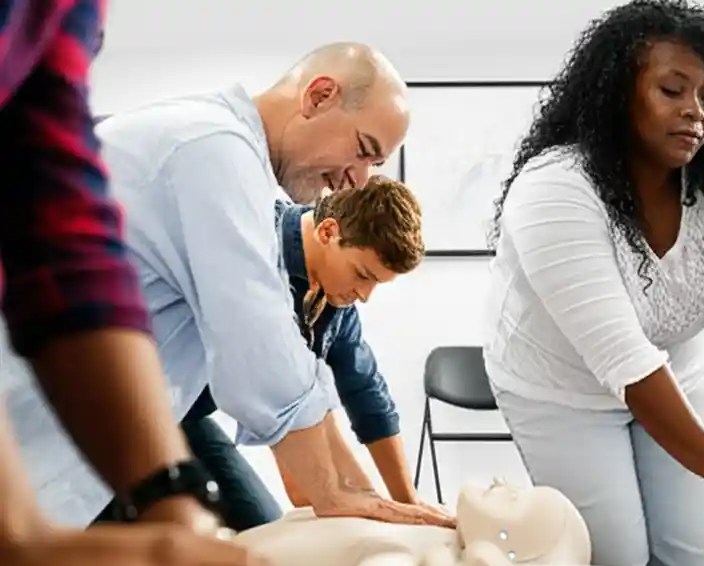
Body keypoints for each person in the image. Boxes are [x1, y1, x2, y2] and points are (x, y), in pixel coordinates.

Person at [0, 0, 341, 566]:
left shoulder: (68, 14)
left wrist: (172, 507)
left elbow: (64, 237)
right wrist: (17, 542)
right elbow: (264, 364)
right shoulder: (208, 148)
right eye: (363, 150)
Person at [1, 41, 452, 530]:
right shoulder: (213, 151)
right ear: (319, 96)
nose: (357, 180)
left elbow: (325, 378)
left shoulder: (239, 170)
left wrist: (376, 496)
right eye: (362, 151)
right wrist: (333, 495)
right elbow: (258, 347)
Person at [482, 0, 704, 566]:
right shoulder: (552, 188)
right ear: (619, 93)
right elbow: (620, 354)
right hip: (562, 389)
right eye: (673, 90)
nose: (695, 112)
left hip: (676, 371)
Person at [140, 177, 428, 530]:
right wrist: (342, 495)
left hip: (187, 417)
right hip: (127, 410)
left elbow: (364, 389)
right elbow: (280, 398)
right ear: (327, 232)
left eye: (375, 284)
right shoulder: (253, 252)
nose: (365, 294)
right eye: (362, 275)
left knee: (261, 526)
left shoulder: (332, 292)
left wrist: (408, 505)